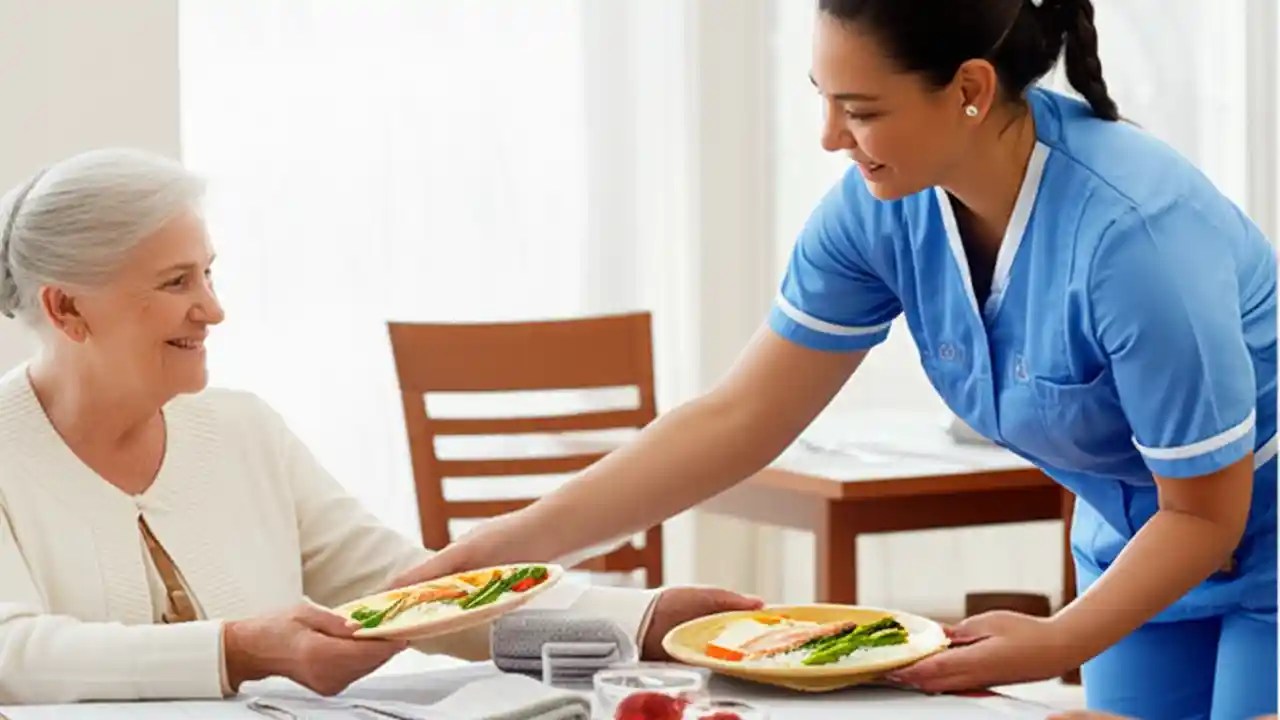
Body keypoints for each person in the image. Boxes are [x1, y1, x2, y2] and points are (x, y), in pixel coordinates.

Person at [393, 1, 1278, 718]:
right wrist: (492, 553)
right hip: (1135, 547)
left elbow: (1207, 513)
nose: (829, 137)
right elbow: (738, 420)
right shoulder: (881, 209)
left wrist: (1058, 641)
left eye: (860, 111)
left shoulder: (1134, 238)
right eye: (824, 99)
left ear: (969, 90)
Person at [0, 148, 761, 705]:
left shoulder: (242, 432)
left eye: (209, 272)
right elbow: (15, 654)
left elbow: (411, 594)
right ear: (67, 309)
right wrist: (237, 648)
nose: (214, 307)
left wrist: (645, 619)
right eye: (176, 283)